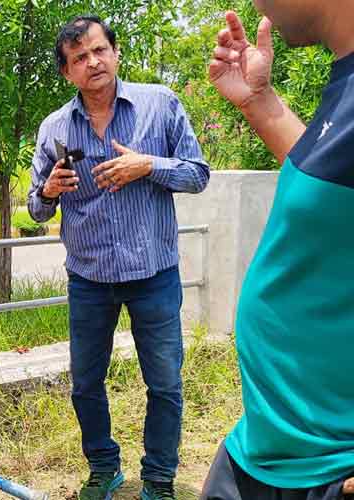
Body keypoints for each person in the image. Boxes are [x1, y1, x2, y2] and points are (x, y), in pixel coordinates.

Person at [27, 15, 210, 500]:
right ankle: (103, 469)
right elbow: (35, 208)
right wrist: (47, 191)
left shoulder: (159, 105)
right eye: (79, 59)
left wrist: (147, 165)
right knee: (86, 383)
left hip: (154, 271)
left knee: (165, 384)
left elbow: (197, 175)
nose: (92, 63)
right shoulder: (54, 128)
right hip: (89, 278)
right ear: (67, 73)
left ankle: (159, 480)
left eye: (98, 51)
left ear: (115, 52)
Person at [201, 3, 354, 499]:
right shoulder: (346, 77)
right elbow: (326, 190)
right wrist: (259, 103)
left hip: (331, 462)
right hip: (268, 444)